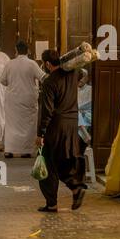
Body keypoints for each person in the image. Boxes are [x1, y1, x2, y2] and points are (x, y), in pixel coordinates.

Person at [34, 49, 86, 211]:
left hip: (56, 125)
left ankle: (53, 202)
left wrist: (40, 133)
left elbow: (47, 111)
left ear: (47, 64)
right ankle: (75, 187)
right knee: (66, 157)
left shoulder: (49, 82)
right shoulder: (72, 74)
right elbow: (84, 73)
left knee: (48, 162)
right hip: (72, 123)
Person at [0, 40, 44, 158]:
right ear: (28, 51)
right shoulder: (32, 64)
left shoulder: (10, 64)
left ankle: (9, 150)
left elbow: (2, 80)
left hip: (13, 99)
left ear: (16, 50)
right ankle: (26, 150)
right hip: (28, 98)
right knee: (29, 124)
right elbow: (42, 77)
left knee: (11, 124)